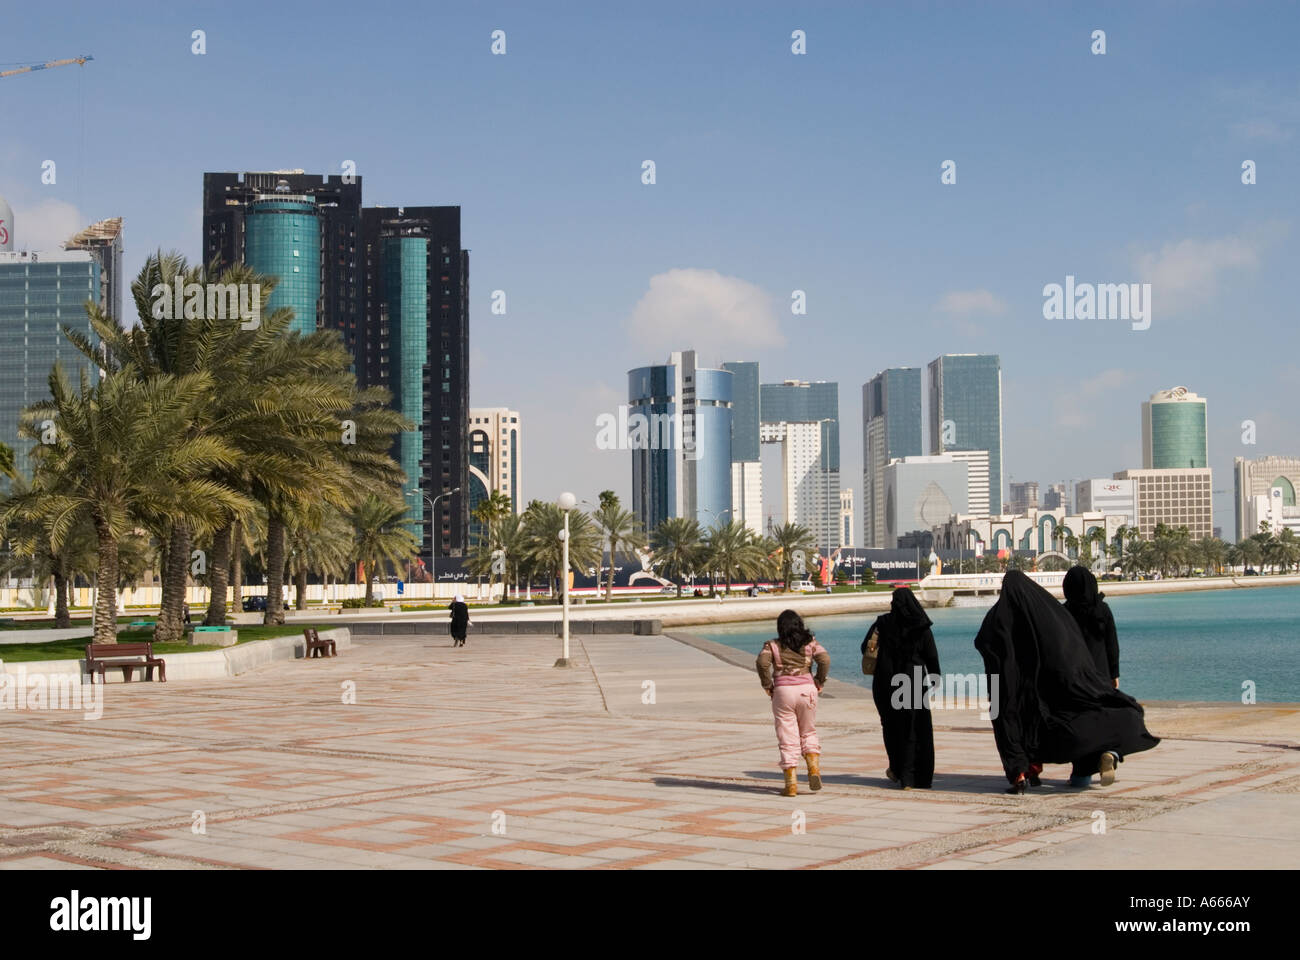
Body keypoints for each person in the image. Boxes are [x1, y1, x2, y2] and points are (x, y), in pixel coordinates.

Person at [974, 570, 1159, 794]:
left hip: (1011, 686)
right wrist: (1113, 673)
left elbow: (986, 644)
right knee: (1090, 715)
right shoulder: (1060, 615)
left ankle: (1022, 774)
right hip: (1085, 675)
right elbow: (1108, 645)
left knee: (1016, 725)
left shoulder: (1005, 618)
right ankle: (1104, 757)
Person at [864, 587, 941, 789]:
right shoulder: (921, 626)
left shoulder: (882, 623)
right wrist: (934, 678)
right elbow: (931, 655)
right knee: (915, 727)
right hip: (913, 682)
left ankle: (897, 770)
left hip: (885, 683)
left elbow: (865, 647)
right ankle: (914, 776)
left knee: (891, 726)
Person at [756, 610, 830, 797]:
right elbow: (825, 660)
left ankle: (791, 784)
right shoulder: (811, 643)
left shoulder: (772, 645)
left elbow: (762, 663)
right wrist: (819, 681)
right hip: (807, 690)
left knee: (786, 734)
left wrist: (767, 685)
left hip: (783, 692)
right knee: (808, 731)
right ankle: (813, 768)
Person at [1062, 566, 1123, 787]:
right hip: (1102, 675)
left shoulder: (1064, 612)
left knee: (1081, 724)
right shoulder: (1103, 610)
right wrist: (1114, 674)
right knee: (1105, 718)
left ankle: (1081, 774)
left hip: (1075, 677)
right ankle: (1111, 753)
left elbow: (1059, 648)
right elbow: (1112, 645)